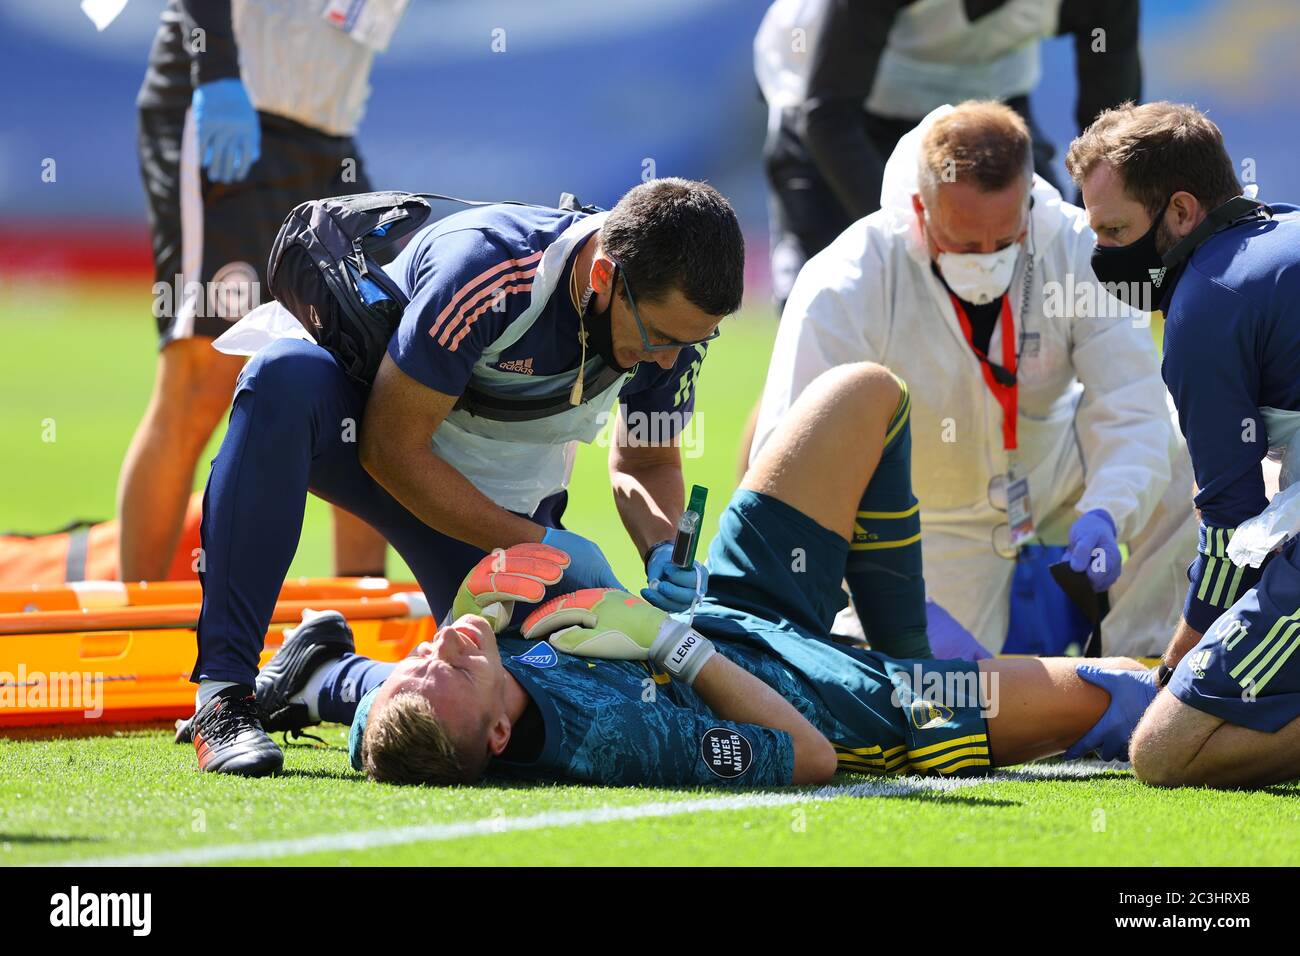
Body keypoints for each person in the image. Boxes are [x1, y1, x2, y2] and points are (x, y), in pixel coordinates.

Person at [211, 361, 1160, 787]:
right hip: (858, 706)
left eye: (415, 662)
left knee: (864, 393)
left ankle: (319, 673)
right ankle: (908, 658)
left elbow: (405, 725)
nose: (439, 650)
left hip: (745, 604)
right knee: (1110, 702)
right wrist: (668, 639)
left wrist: (350, 683)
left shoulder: (426, 719)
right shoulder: (620, 741)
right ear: (503, 732)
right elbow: (813, 761)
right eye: (453, 669)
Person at [185, 178, 741, 775]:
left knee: (526, 708)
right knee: (282, 377)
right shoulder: (488, 268)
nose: (669, 359)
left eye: (692, 341)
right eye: (661, 338)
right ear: (604, 278)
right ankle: (223, 694)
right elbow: (390, 449)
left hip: (494, 513)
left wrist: (662, 546)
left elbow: (648, 460)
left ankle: (324, 675)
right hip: (371, 442)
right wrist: (541, 544)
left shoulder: (668, 323)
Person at [751, 100, 1198, 658]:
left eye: (1005, 239)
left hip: (1056, 473)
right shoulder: (846, 282)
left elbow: (1133, 402)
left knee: (1189, 453)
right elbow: (792, 466)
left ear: (1028, 203)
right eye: (964, 243)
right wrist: (874, 584)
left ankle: (1144, 666)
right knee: (936, 697)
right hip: (924, 525)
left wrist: (1109, 509)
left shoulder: (1072, 243)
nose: (986, 258)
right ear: (919, 209)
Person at [123, 0, 407, 583]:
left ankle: (356, 631)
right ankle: (137, 628)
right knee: (201, 380)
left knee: (367, 383)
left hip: (328, 130)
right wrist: (218, 72)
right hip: (230, 105)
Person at [1066, 101, 1300, 789]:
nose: (1105, 256)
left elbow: (1231, 527)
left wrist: (1177, 665)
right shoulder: (1282, 228)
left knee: (1163, 751)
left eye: (1116, 231)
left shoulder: (1205, 304)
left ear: (1181, 212)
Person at [752, 0, 1142, 313]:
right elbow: (829, 117)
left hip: (989, 100)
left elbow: (1107, 131)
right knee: (824, 306)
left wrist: (1091, 249)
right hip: (832, 101)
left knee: (1050, 274)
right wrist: (912, 238)